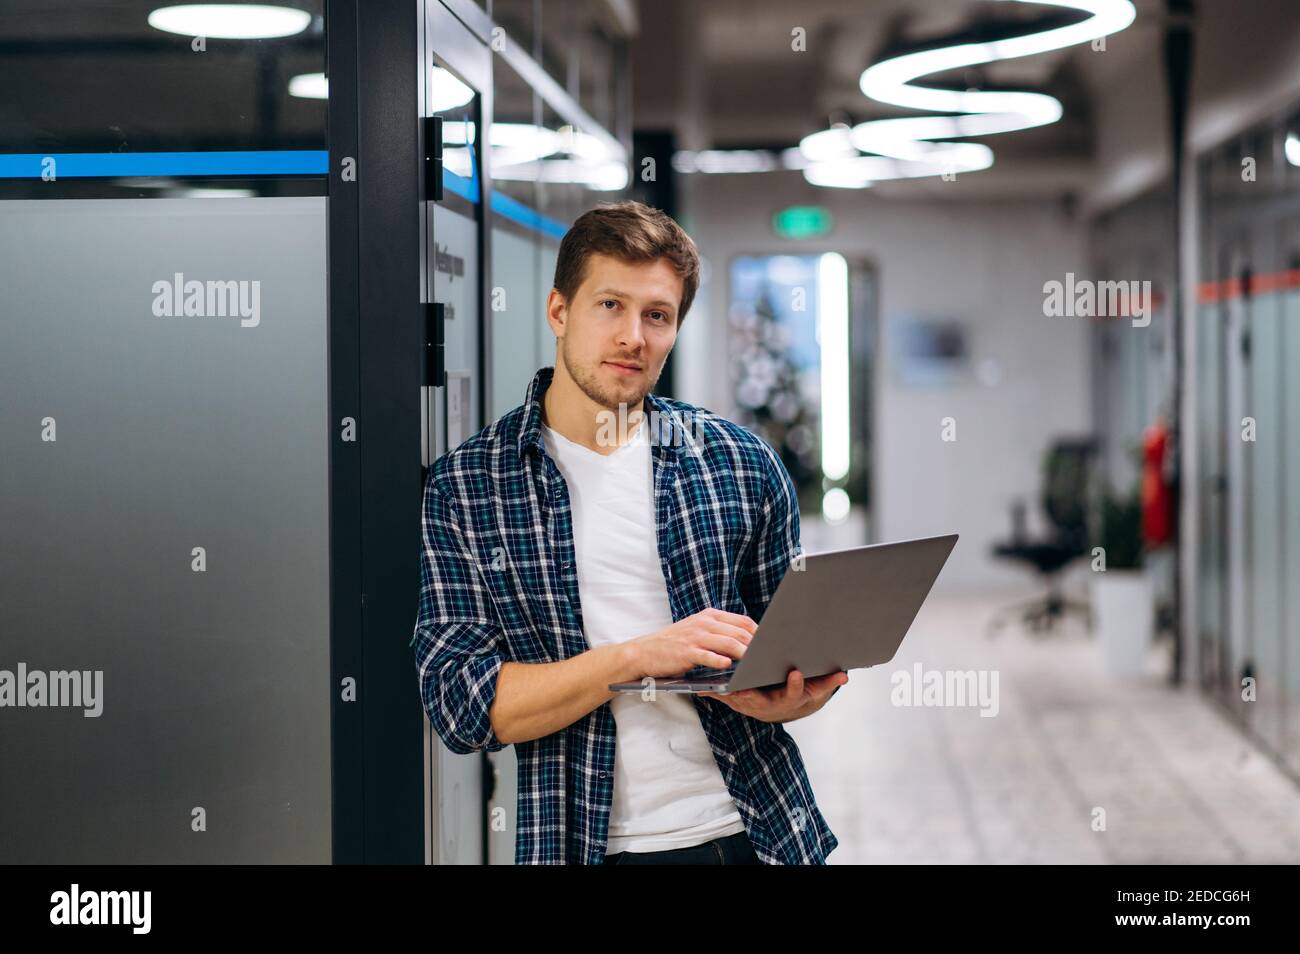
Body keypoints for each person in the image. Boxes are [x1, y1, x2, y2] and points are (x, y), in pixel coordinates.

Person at [412, 200, 845, 865]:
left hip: (752, 833)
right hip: (585, 844)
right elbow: (464, 706)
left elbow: (781, 652)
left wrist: (789, 700)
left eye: (657, 315)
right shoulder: (468, 485)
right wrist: (636, 657)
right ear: (559, 311)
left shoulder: (738, 461)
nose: (633, 337)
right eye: (609, 305)